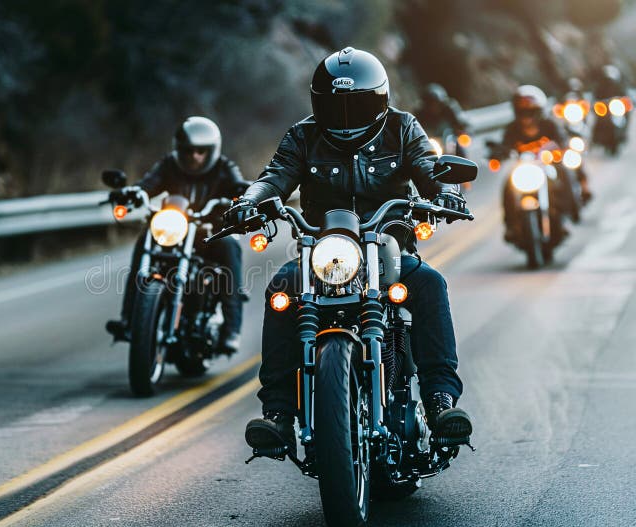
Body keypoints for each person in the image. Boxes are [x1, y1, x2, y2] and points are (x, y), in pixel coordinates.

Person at [223, 47, 473, 451]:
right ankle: (279, 415)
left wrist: (447, 192)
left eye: (355, 105)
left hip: (388, 250)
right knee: (282, 292)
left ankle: (440, 402)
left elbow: (430, 168)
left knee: (429, 284)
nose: (344, 116)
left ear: (379, 100)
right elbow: (274, 177)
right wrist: (250, 202)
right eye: (334, 106)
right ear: (318, 103)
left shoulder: (402, 128)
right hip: (324, 254)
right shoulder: (303, 136)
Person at [106, 116, 250, 354]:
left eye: (201, 151)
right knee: (145, 239)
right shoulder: (169, 165)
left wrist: (242, 194)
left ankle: (231, 329)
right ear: (179, 149)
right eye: (189, 150)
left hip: (209, 233)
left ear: (212, 150)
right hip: (174, 231)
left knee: (229, 246)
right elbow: (148, 183)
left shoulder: (225, 168)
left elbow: (237, 185)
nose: (194, 156)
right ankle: (129, 319)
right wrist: (136, 192)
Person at [495, 85, 590, 239]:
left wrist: (562, 151)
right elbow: (503, 147)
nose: (527, 117)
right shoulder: (512, 129)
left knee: (565, 173)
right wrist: (497, 156)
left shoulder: (549, 125)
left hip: (548, 166)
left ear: (538, 111)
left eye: (530, 112)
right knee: (507, 185)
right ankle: (511, 225)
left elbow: (562, 141)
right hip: (524, 169)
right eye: (522, 112)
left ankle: (570, 210)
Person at [416, 83, 470, 156]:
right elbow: (416, 130)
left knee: (462, 155)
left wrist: (462, 130)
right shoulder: (420, 114)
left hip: (450, 139)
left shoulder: (450, 108)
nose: (434, 106)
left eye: (437, 103)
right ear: (426, 104)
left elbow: (461, 121)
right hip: (433, 144)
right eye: (430, 104)